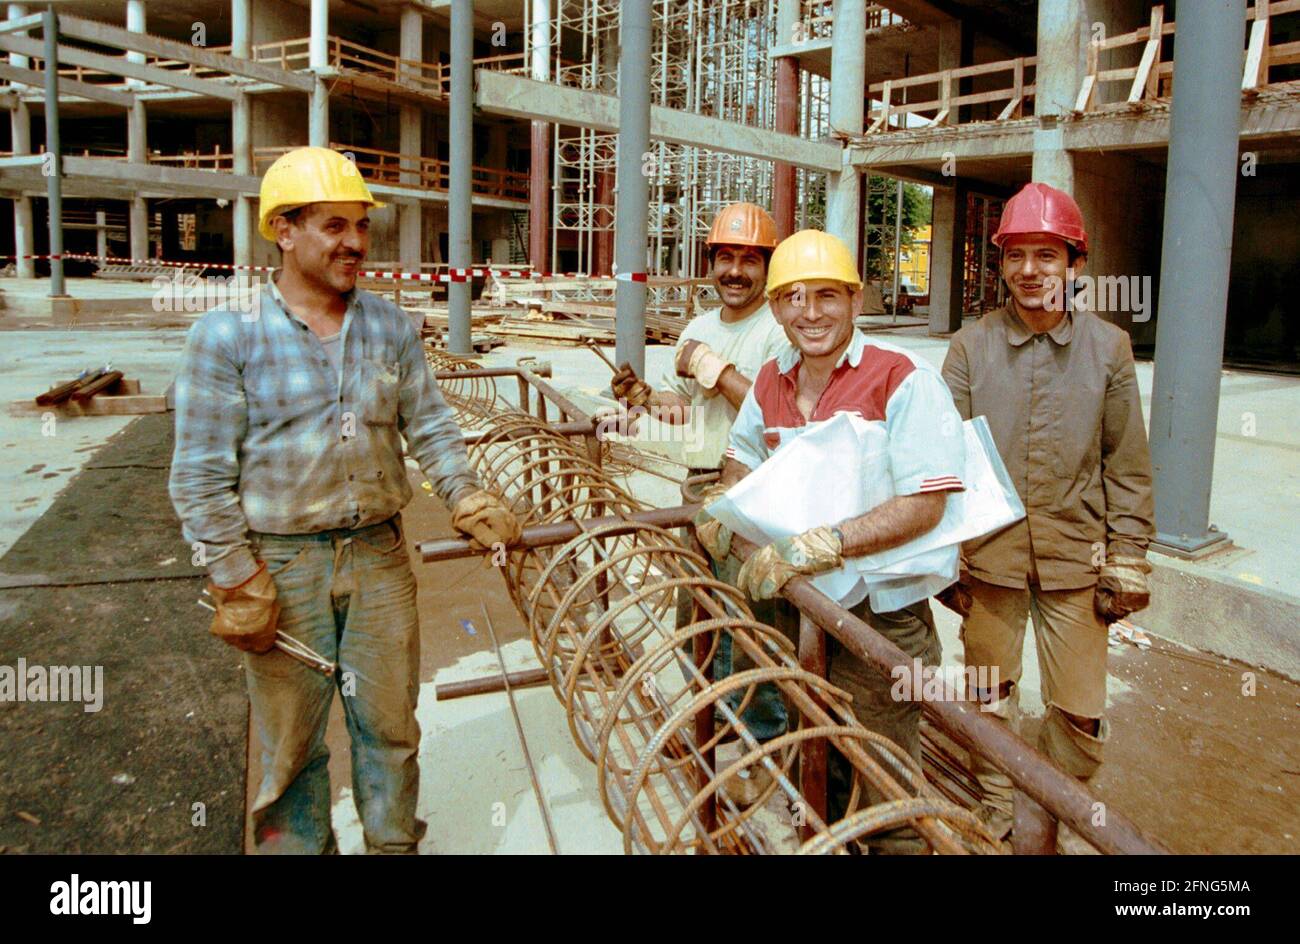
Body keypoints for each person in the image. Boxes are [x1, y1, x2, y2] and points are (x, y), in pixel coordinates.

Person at [169, 146, 521, 854]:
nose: (355, 243)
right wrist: (236, 576)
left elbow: (429, 425)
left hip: (379, 557)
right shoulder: (226, 335)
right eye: (334, 226)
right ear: (284, 230)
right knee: (293, 744)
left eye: (361, 227)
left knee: (390, 727)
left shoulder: (390, 328)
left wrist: (465, 492)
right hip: (280, 565)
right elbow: (199, 476)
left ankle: (392, 845)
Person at [697, 229, 967, 852]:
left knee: (888, 772)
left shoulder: (902, 379)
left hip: (883, 613)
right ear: (775, 307)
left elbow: (926, 501)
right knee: (813, 741)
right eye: (793, 297)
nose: (809, 312)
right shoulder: (769, 380)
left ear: (856, 298)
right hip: (802, 604)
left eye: (826, 296)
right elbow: (739, 458)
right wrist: (726, 505)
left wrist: (831, 542)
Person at [939, 181, 1155, 841]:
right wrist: (943, 554)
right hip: (991, 557)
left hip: (1075, 562)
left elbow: (1127, 462)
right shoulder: (970, 349)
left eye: (1048, 255)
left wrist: (1129, 557)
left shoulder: (1109, 349)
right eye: (1017, 255)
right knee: (984, 696)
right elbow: (941, 462)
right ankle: (998, 808)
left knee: (1081, 713)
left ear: (1076, 264)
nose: (1030, 271)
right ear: (1001, 263)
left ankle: (1052, 806)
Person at [608, 203, 793, 800]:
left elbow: (775, 417)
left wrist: (716, 370)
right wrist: (644, 396)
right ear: (710, 262)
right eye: (726, 257)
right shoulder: (696, 329)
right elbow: (685, 412)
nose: (735, 270)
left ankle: (762, 746)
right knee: (696, 617)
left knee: (750, 623)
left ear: (766, 266)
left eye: (749, 259)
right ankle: (706, 724)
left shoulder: (780, 329)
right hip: (697, 488)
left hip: (753, 492)